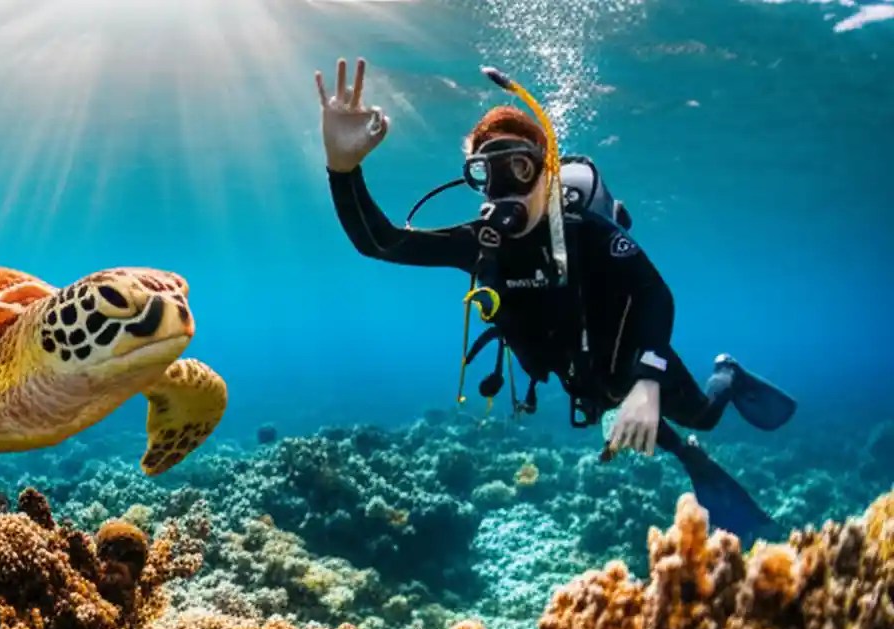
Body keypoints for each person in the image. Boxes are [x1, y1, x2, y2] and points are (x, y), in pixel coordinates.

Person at [314, 57, 797, 542]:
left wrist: (649, 381)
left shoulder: (586, 232)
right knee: (609, 404)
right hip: (581, 374)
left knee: (702, 417)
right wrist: (342, 169)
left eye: (519, 168)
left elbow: (655, 295)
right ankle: (685, 453)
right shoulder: (483, 243)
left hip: (633, 355)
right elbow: (379, 242)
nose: (504, 191)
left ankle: (727, 374)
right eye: (488, 173)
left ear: (546, 171)